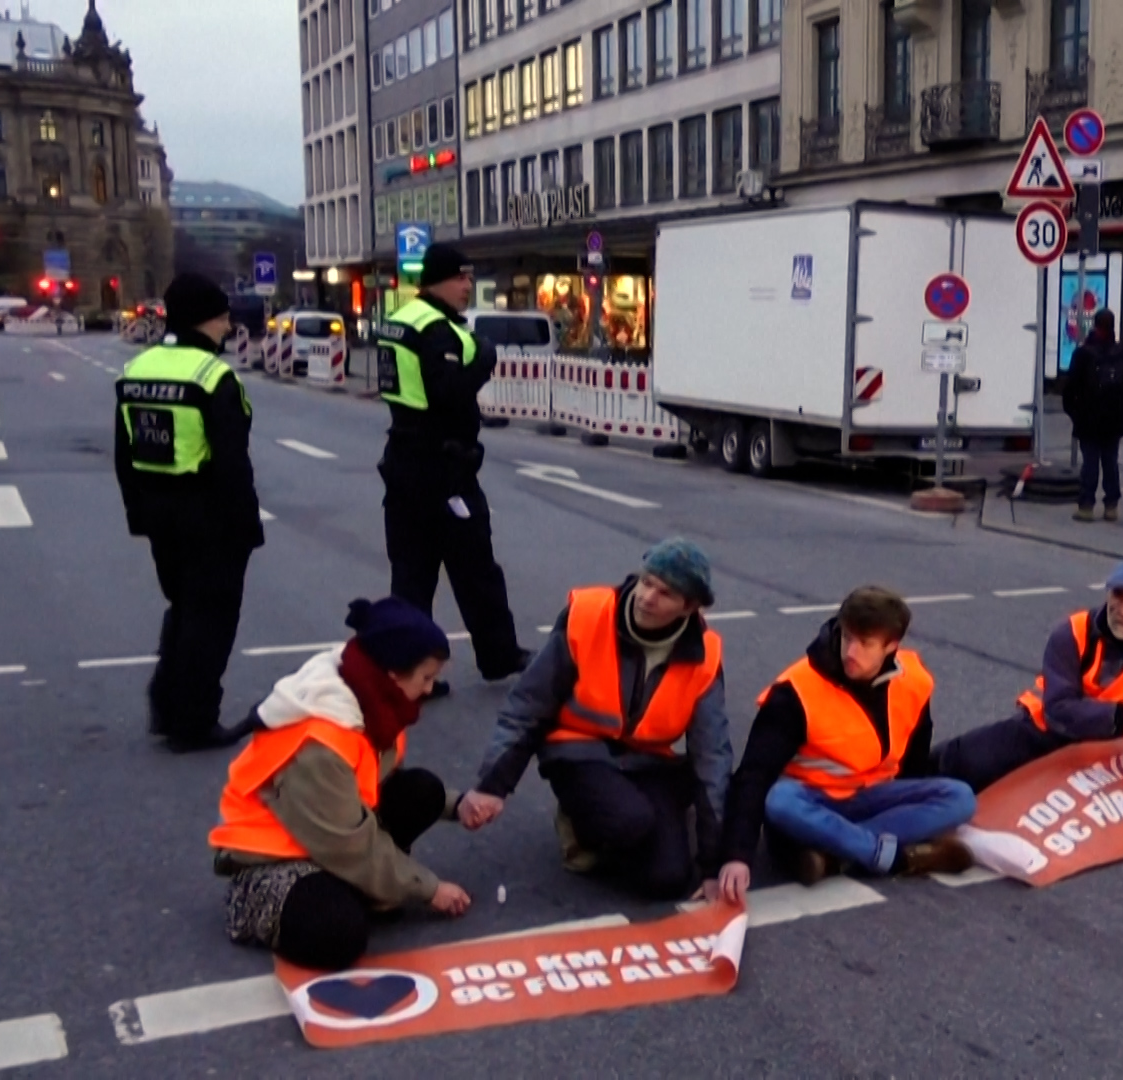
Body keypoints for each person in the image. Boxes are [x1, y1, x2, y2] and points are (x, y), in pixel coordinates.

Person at [455, 539, 732, 900]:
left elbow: (713, 753)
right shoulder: (587, 615)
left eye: (665, 593)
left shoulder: (704, 654)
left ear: (689, 607)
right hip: (576, 751)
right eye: (647, 582)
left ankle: (638, 820)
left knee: (669, 878)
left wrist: (712, 864)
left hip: (646, 761)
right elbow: (528, 704)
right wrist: (492, 785)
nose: (647, 597)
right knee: (628, 821)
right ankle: (580, 821)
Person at [210, 598, 470, 972]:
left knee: (422, 791)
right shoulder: (322, 741)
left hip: (330, 832)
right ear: (393, 676)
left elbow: (378, 783)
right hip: (271, 856)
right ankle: (256, 902)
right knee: (337, 934)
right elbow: (348, 842)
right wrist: (429, 888)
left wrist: (456, 805)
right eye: (425, 678)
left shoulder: (370, 700)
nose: (430, 689)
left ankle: (361, 889)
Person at [713, 587, 975, 899]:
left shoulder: (913, 681)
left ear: (891, 646)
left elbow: (915, 756)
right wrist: (736, 855)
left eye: (865, 643)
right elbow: (753, 776)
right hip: (812, 800)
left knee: (959, 797)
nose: (851, 651)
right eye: (848, 637)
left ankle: (837, 851)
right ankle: (891, 857)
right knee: (780, 801)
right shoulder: (796, 691)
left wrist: (911, 803)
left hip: (872, 796)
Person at [114, 273, 262, 753]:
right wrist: (246, 528)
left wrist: (138, 513)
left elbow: (123, 452)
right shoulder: (212, 376)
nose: (227, 327)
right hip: (208, 513)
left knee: (183, 608)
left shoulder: (137, 369)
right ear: (206, 319)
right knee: (212, 617)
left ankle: (168, 706)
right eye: (222, 317)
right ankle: (195, 720)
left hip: (158, 511)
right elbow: (232, 462)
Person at [374, 243, 529, 691]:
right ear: (438, 280)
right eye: (461, 278)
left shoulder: (399, 321)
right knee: (476, 566)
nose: (467, 286)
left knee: (411, 573)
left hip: (404, 459)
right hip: (443, 467)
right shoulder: (436, 330)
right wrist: (483, 357)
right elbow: (449, 391)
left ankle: (407, 670)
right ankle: (499, 654)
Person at [934, 558, 1123, 792]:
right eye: (1119, 595)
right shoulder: (1072, 632)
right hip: (1047, 734)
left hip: (1118, 756)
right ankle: (913, 774)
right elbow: (1058, 710)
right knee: (965, 762)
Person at [1062, 309, 1123, 522]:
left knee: (1090, 463)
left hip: (1089, 418)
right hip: (1114, 419)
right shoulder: (1122, 352)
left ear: (1094, 325)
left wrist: (1074, 414)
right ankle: (1111, 506)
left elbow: (1070, 388)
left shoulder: (1083, 353)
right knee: (1111, 462)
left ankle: (1086, 506)